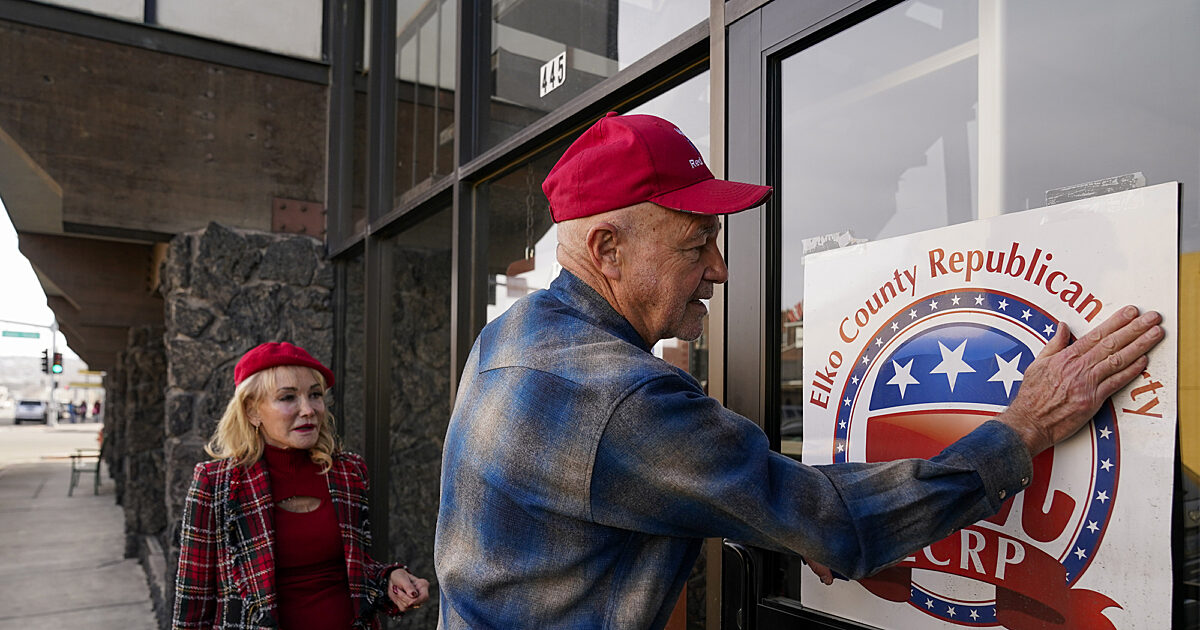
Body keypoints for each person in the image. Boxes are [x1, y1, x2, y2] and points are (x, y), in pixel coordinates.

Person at [433, 112, 1165, 628]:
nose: (721, 270)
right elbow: (836, 523)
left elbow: (638, 487)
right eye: (698, 244)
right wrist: (1025, 425)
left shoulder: (513, 337)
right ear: (607, 249)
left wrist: (774, 517)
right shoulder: (625, 400)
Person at [173, 342, 431, 629]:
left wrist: (390, 579)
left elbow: (357, 569)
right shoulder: (216, 483)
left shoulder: (347, 473)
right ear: (251, 411)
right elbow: (193, 601)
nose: (308, 410)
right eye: (287, 398)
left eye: (315, 395)